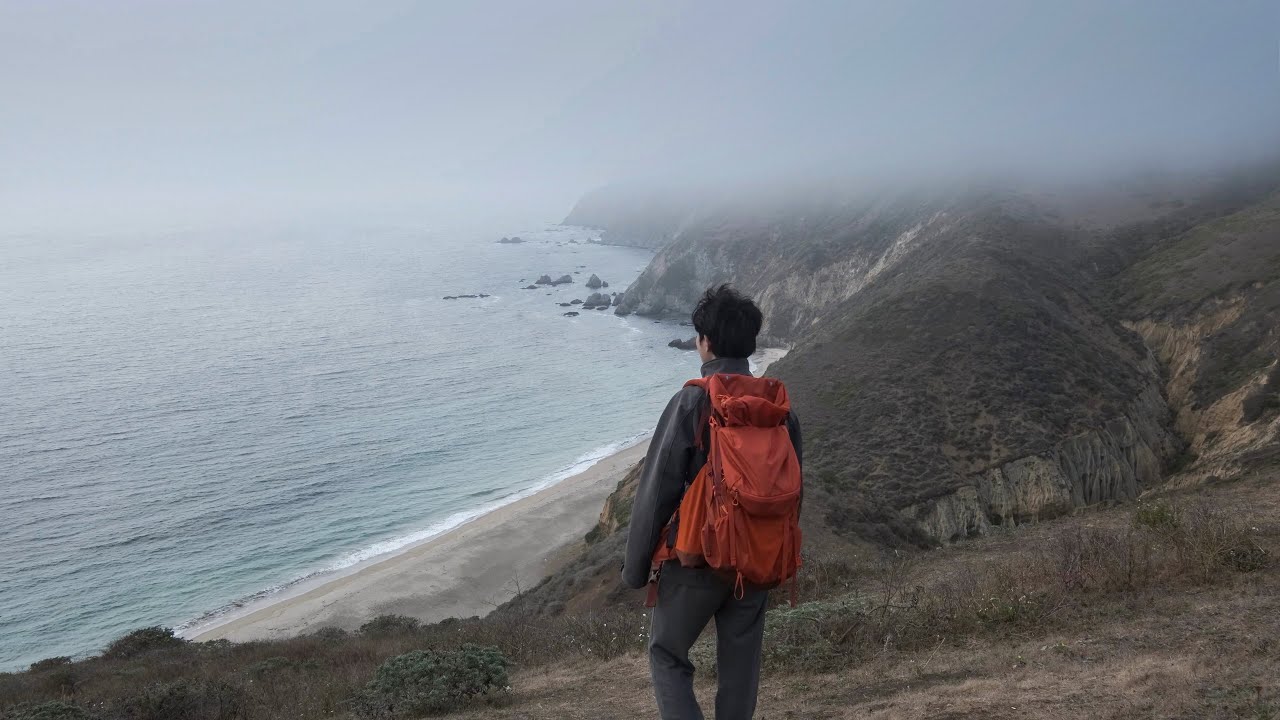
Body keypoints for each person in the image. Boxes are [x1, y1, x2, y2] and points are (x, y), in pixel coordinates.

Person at [622, 284, 802, 720]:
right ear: (751, 342)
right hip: (756, 558)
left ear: (704, 342)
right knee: (740, 670)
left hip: (696, 558)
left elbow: (657, 490)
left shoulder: (692, 401)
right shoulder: (779, 410)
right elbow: (793, 493)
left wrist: (635, 569)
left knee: (667, 653)